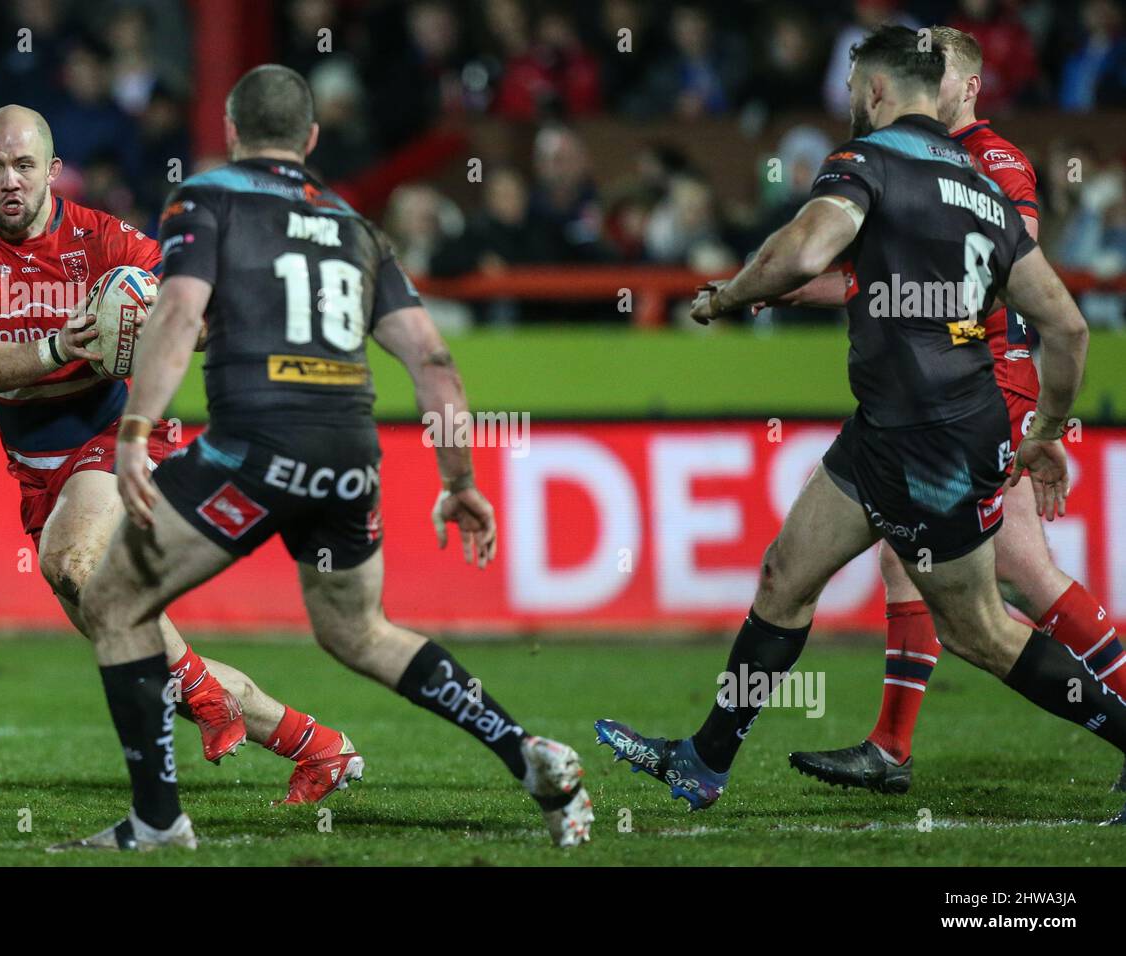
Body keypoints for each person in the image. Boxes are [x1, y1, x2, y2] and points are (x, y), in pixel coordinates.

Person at [595, 25, 1126, 826]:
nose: (847, 100)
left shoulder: (866, 162)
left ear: (877, 91)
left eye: (851, 87)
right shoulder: (979, 188)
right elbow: (1069, 326)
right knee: (785, 575)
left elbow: (807, 249)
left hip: (934, 440)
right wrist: (1050, 423)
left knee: (981, 628)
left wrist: (733, 294)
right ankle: (704, 761)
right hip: (892, 425)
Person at [59, 65, 594, 851]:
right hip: (350, 458)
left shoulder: (205, 199)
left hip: (254, 446)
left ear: (235, 132)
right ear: (310, 140)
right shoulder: (357, 228)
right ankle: (527, 752)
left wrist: (137, 429)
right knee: (361, 634)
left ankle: (158, 820)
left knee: (111, 602)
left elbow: (176, 314)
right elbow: (434, 362)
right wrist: (460, 483)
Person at [0, 105, 363, 813]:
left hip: (116, 438)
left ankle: (207, 714)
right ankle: (319, 746)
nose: (12, 180)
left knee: (69, 563)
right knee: (137, 648)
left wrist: (155, 320)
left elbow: (198, 318)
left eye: (25, 165)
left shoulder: (103, 240)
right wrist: (63, 347)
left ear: (52, 171)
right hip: (38, 472)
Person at [787, 27, 1126, 795]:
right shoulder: (923, 157)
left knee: (1015, 576)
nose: (915, 86)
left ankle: (892, 747)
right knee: (929, 562)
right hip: (960, 387)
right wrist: (783, 283)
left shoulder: (993, 160)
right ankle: (889, 747)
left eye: (932, 75)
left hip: (984, 385)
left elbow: (1010, 272)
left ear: (965, 86)